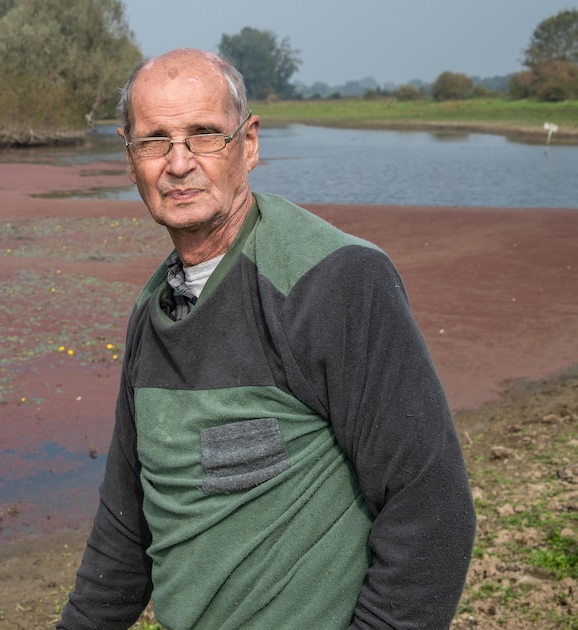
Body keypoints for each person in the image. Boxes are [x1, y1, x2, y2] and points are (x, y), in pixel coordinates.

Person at [57, 49, 476, 629]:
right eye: (155, 142)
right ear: (130, 161)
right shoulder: (151, 310)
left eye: (204, 135)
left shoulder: (336, 282)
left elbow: (432, 508)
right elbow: (127, 529)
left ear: (248, 144)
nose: (178, 164)